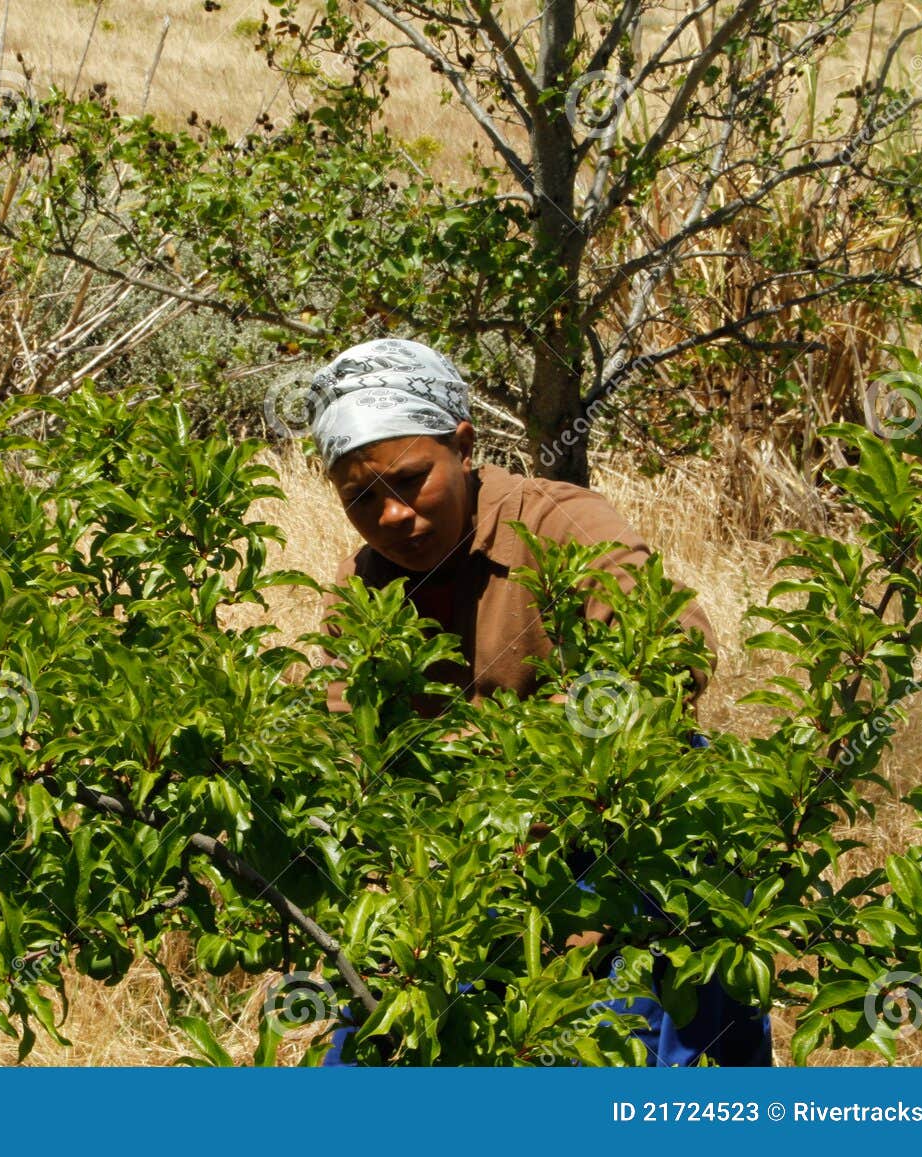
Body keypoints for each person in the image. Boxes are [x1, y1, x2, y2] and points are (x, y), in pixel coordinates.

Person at [307, 338, 771, 1067]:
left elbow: (670, 655)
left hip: (612, 837)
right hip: (460, 867)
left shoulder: (563, 524)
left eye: (409, 480)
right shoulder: (361, 588)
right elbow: (346, 747)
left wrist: (542, 782)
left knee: (639, 1056)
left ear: (464, 446)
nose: (392, 514)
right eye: (362, 498)